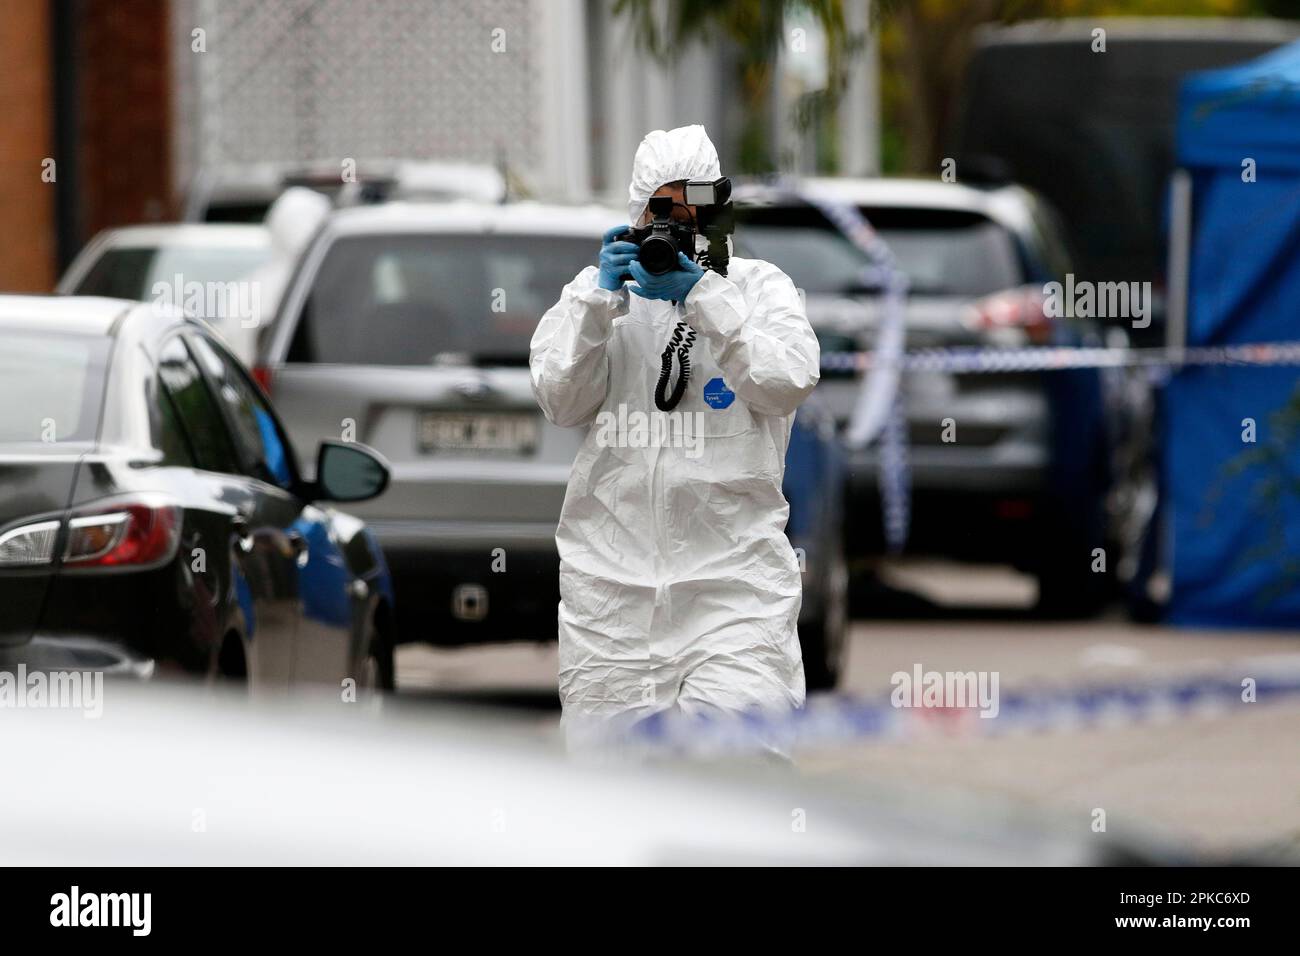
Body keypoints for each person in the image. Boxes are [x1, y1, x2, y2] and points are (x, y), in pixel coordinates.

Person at [529, 125, 820, 756]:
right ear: (635, 215)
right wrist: (598, 304)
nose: (680, 228)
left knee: (740, 780)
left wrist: (705, 297)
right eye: (663, 212)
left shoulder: (758, 289)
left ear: (718, 206)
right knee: (612, 809)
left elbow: (785, 380)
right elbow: (560, 398)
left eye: (694, 209)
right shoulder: (597, 297)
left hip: (733, 594)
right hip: (611, 601)